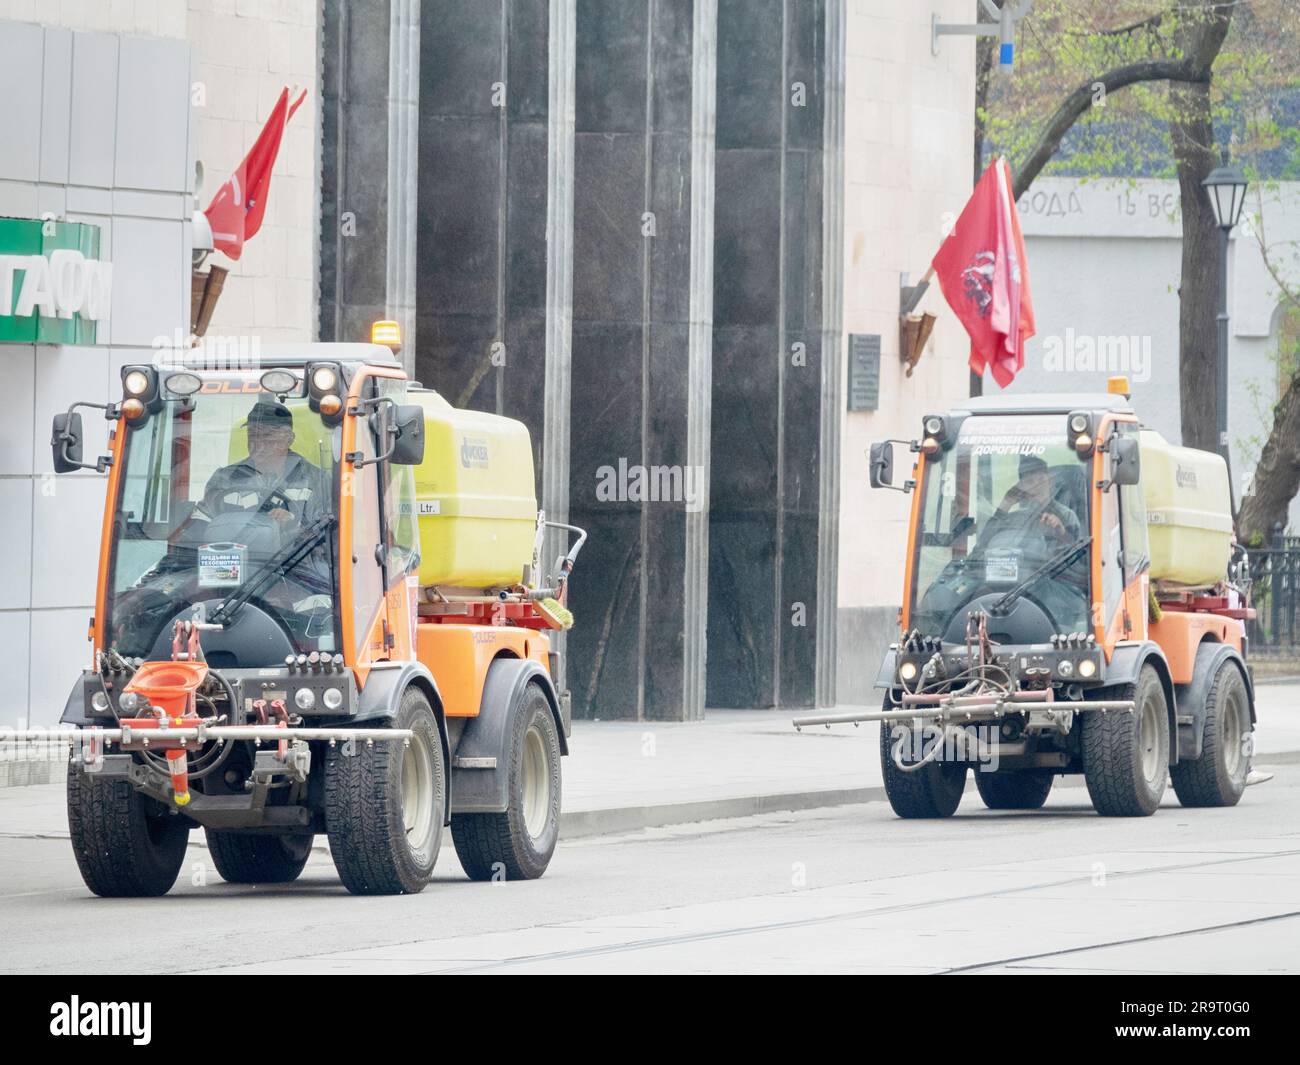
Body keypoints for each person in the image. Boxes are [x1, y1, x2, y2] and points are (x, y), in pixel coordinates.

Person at [197, 399, 329, 533]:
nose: (257, 444)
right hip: (236, 552)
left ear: (288, 439)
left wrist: (293, 525)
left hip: (294, 553)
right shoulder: (224, 479)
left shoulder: (315, 480)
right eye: (253, 435)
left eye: (267, 436)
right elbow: (199, 524)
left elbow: (327, 537)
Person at [982, 453, 1081, 546]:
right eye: (1030, 482)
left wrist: (1061, 531)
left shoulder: (1066, 516)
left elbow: (1078, 555)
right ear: (1022, 486)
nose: (1037, 485)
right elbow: (983, 544)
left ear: (1050, 481)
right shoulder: (1014, 519)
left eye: (1041, 479)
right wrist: (1006, 503)